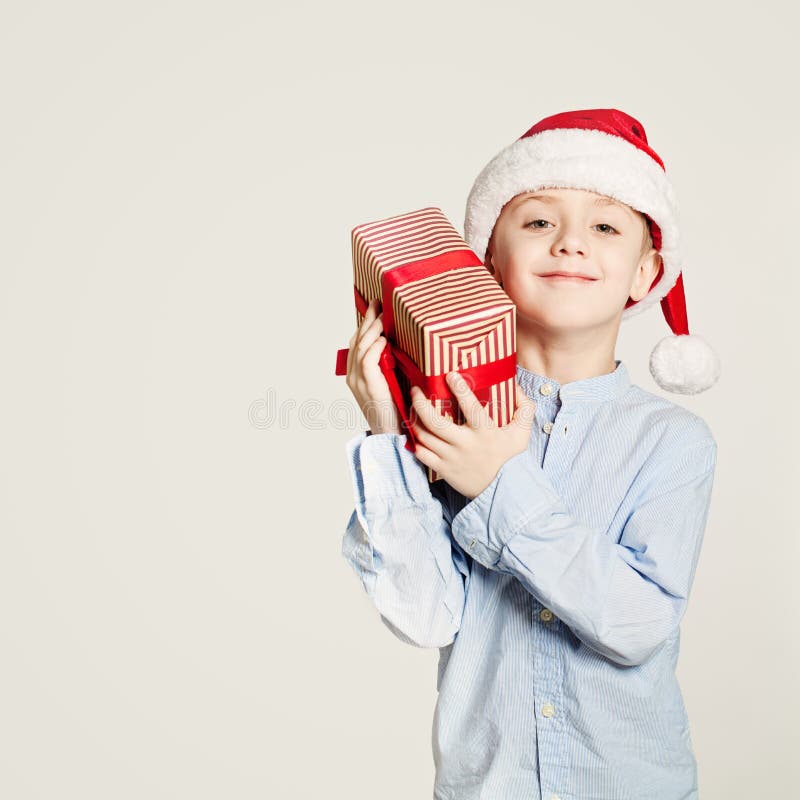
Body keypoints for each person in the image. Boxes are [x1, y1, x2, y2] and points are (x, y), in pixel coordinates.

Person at [340, 108, 721, 800]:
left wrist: (498, 485)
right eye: (539, 221)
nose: (570, 244)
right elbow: (425, 614)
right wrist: (390, 434)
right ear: (487, 258)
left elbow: (636, 623)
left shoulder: (673, 442)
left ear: (645, 271)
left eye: (605, 226)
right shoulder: (448, 426)